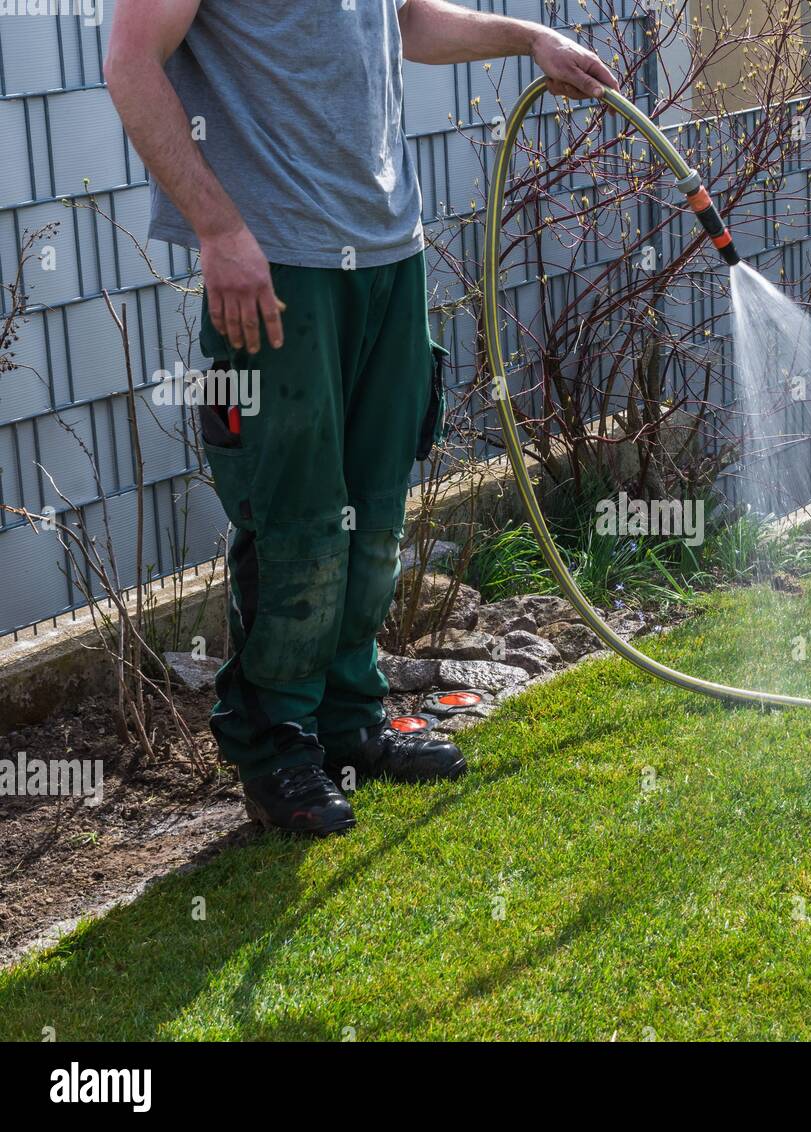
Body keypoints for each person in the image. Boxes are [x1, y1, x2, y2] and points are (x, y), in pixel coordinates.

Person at [105, 1, 615, 835]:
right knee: (297, 516)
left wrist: (530, 38)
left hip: (387, 251)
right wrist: (219, 228)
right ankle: (278, 745)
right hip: (278, 262)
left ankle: (351, 723)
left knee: (374, 510)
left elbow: (406, 19)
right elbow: (131, 63)